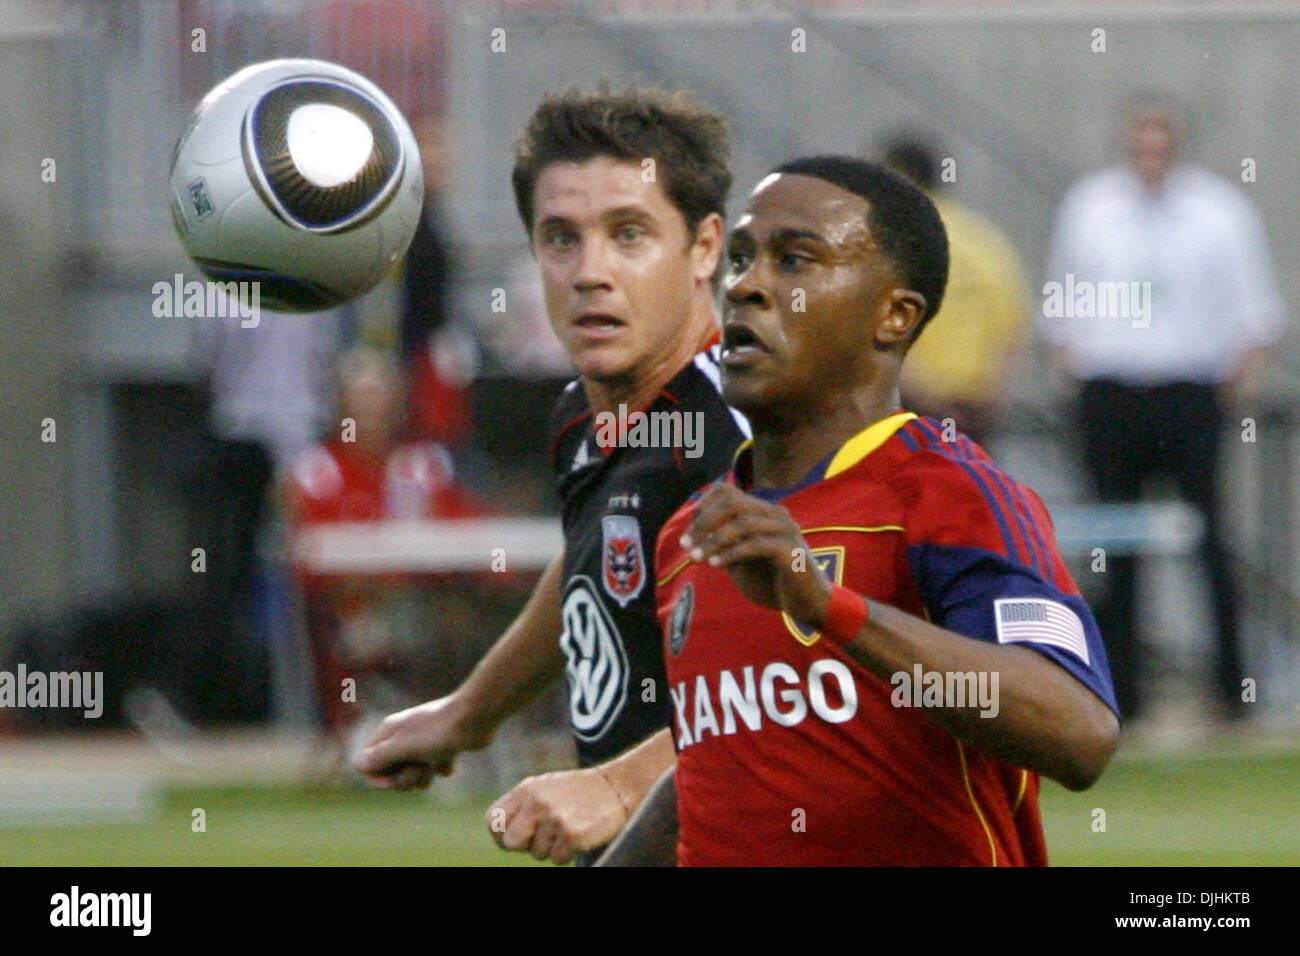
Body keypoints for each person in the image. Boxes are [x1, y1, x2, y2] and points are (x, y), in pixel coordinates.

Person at [599, 157, 1120, 866]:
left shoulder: (948, 493)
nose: (746, 285)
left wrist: (828, 606)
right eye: (743, 258)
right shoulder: (693, 532)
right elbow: (717, 768)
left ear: (894, 316)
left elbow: (1077, 730)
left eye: (796, 260)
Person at [352, 89, 749, 865]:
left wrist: (619, 787)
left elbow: (811, 686)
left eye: (628, 235)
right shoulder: (581, 414)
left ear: (705, 249)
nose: (588, 272)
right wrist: (471, 711)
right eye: (560, 239)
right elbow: (593, 566)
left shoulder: (743, 432)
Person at [1041, 94, 1285, 723]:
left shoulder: (1220, 212)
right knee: (1113, 548)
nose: (1150, 155)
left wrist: (1234, 384)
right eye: (1140, 142)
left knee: (1209, 541)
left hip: (1189, 395)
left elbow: (1255, 309)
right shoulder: (1091, 207)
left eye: (1161, 142)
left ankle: (1232, 690)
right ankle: (1119, 689)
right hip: (1111, 395)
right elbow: (1062, 300)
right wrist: (1072, 364)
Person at [881, 134, 1032, 445]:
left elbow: (878, 327)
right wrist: (993, 397)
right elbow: (1010, 325)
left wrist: (925, 398)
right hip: (975, 410)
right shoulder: (982, 239)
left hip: (912, 408)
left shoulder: (894, 245)